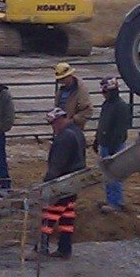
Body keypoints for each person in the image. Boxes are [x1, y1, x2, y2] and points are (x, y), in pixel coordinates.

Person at [38, 106, 86, 259]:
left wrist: (47, 183)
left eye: (54, 124)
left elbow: (57, 164)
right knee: (67, 215)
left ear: (61, 120)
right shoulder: (77, 133)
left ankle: (41, 247)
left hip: (63, 181)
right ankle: (65, 248)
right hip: (75, 180)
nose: (54, 128)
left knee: (51, 213)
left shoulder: (64, 138)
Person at [94, 76, 132, 213]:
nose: (103, 94)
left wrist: (112, 147)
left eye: (105, 92)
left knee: (114, 173)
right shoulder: (108, 105)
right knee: (107, 174)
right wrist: (97, 139)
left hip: (114, 145)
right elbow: (102, 123)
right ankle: (110, 199)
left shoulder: (120, 107)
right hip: (106, 143)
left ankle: (115, 202)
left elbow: (120, 131)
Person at [53, 61, 92, 131]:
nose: (61, 81)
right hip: (61, 127)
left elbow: (88, 111)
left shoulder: (81, 90)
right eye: (59, 80)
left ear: (69, 76)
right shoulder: (61, 89)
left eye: (62, 78)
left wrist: (71, 121)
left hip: (74, 129)